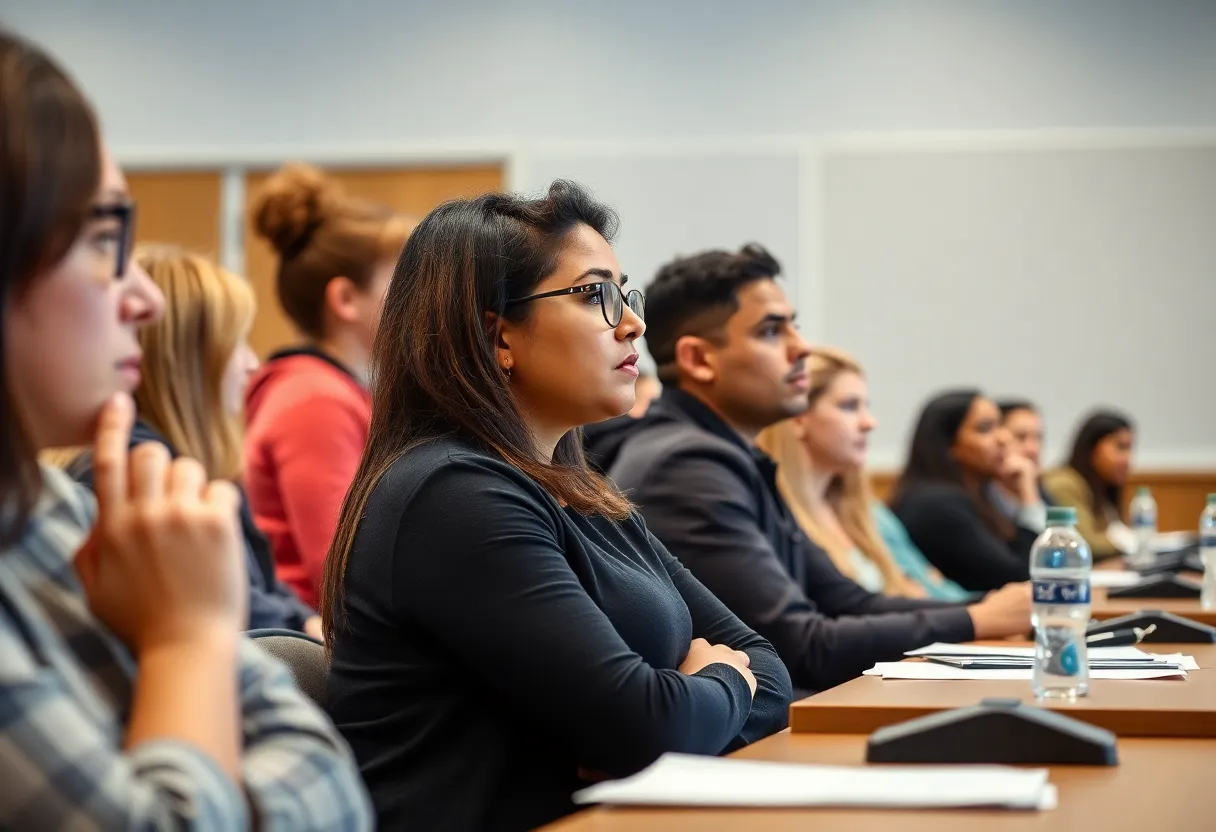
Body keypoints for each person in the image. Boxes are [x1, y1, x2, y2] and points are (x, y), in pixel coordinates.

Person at [321, 183, 791, 831]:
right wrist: (714, 691)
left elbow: (764, 660)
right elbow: (648, 724)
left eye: (625, 293)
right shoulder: (452, 494)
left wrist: (681, 719)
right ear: (496, 336)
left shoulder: (587, 494)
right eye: (595, 294)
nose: (633, 322)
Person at [0, 28, 369, 828]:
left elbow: (340, 797)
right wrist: (187, 640)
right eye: (104, 242)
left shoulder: (39, 509)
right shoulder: (129, 483)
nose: (145, 300)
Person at [591, 244, 1028, 697]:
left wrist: (992, 608)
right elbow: (800, 646)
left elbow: (848, 601)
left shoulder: (734, 456)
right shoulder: (688, 466)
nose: (802, 348)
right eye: (771, 331)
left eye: (793, 326)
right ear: (699, 360)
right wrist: (977, 620)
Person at [69, 246, 323, 637]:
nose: (253, 363)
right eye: (238, 342)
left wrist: (305, 621)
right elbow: (240, 615)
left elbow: (264, 592)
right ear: (188, 360)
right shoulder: (144, 471)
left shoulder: (185, 464)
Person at [244, 163, 412, 607]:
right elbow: (343, 570)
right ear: (344, 300)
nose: (419, 299)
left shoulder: (332, 391)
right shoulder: (317, 400)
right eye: (403, 284)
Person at [756, 347, 971, 601]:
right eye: (849, 406)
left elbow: (932, 593)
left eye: (865, 406)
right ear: (797, 420)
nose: (869, 423)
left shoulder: (871, 514)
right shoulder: (771, 518)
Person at [890, 391, 1045, 591]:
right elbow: (1020, 577)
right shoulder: (937, 504)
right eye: (985, 429)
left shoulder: (977, 495)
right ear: (948, 445)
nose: (1004, 438)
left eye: (1001, 425)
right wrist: (1028, 495)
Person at [1042, 410, 1136, 560]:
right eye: (1120, 447)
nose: (1127, 459)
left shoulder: (1101, 486)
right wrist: (1132, 541)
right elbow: (1084, 542)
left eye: (1130, 449)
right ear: (1092, 447)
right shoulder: (1063, 483)